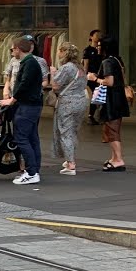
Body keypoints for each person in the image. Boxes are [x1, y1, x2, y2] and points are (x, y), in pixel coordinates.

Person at [0, 36, 44, 185]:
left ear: (18, 49)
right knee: (31, 138)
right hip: (30, 105)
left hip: (28, 106)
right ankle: (34, 170)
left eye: (12, 49)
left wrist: (12, 100)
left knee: (22, 138)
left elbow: (24, 84)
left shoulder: (29, 63)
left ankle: (32, 172)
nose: (12, 52)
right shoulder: (29, 62)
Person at [92, 35, 129, 172]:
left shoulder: (107, 62)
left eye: (99, 45)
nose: (97, 47)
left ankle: (118, 159)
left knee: (112, 130)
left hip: (111, 100)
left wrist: (94, 78)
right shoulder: (117, 60)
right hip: (118, 99)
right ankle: (114, 158)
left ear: (106, 47)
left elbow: (109, 82)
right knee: (113, 128)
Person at [51, 42, 87, 176]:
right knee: (73, 131)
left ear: (63, 52)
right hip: (81, 101)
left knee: (65, 131)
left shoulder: (66, 68)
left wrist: (53, 73)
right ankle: (70, 158)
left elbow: (55, 86)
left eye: (59, 51)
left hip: (67, 102)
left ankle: (71, 164)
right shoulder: (80, 68)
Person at [83, 29, 102, 124]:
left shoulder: (101, 50)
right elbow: (86, 64)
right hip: (91, 76)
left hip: (100, 76)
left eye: (99, 35)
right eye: (96, 35)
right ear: (91, 37)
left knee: (99, 95)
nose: (98, 36)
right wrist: (85, 77)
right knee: (96, 94)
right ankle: (91, 115)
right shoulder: (87, 50)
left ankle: (96, 115)